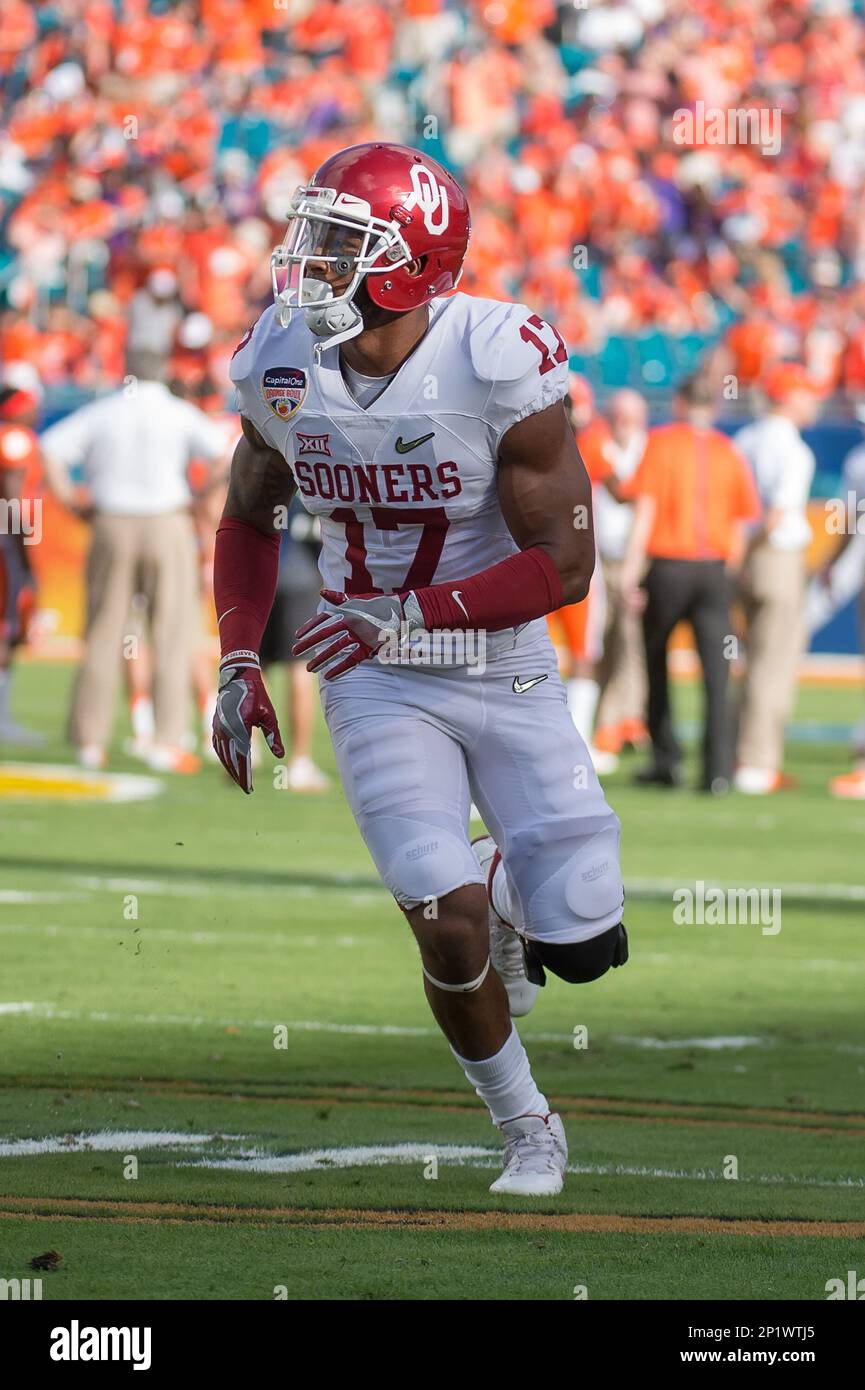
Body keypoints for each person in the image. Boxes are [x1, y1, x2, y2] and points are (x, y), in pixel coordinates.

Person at [211, 143, 627, 1196]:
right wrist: (234, 656)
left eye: (344, 244)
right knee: (436, 920)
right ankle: (527, 1124)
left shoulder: (495, 356)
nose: (311, 262)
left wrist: (414, 611)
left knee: (585, 946)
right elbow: (248, 514)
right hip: (374, 672)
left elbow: (566, 563)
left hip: (499, 659)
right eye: (315, 235)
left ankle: (505, 885)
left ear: (415, 261)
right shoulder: (282, 361)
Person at [40, 348, 227, 770]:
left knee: (104, 634)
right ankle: (166, 739)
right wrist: (199, 497)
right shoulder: (177, 412)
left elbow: (50, 448)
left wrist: (70, 500)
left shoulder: (105, 410)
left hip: (111, 521)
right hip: (167, 522)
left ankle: (90, 740)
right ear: (162, 372)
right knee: (173, 634)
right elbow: (223, 451)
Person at [620, 375, 761, 793]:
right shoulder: (728, 451)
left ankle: (667, 760)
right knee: (717, 673)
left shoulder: (661, 443)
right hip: (713, 568)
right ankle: (717, 771)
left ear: (680, 402)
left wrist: (630, 571)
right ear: (713, 407)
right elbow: (742, 524)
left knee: (656, 663)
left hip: (667, 567)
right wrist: (726, 575)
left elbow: (644, 510)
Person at [733, 363, 820, 794]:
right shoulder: (794, 449)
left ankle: (738, 753)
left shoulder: (746, 438)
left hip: (745, 558)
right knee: (774, 665)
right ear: (789, 396)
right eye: (806, 393)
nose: (815, 401)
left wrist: (739, 557)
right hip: (776, 558)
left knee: (749, 663)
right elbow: (775, 516)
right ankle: (758, 763)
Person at [259, 503, 330, 792]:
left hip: (259, 571)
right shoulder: (311, 468)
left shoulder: (260, 464)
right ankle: (299, 761)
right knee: (300, 665)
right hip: (299, 573)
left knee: (255, 661)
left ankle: (246, 751)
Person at [593, 388, 649, 755]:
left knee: (632, 639)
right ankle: (607, 718)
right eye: (618, 414)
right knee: (600, 642)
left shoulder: (650, 450)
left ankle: (626, 717)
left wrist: (635, 562)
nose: (623, 422)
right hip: (598, 556)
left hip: (634, 556)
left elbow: (642, 503)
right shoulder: (596, 445)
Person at [0, 379, 41, 745]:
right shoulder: (15, 438)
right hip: (6, 543)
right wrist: (26, 554)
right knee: (7, 627)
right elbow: (13, 502)